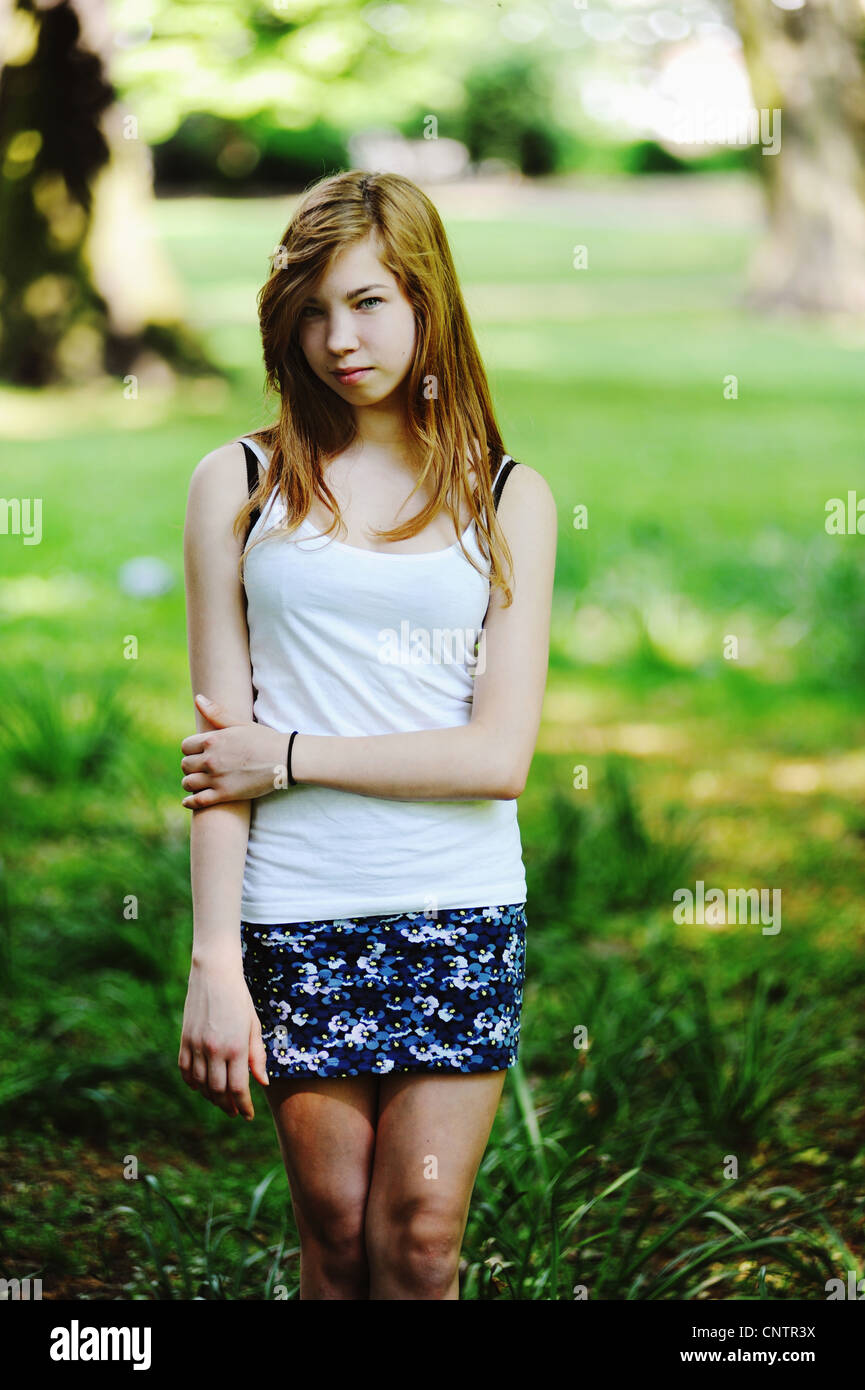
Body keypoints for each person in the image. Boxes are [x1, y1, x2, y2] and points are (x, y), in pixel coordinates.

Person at [177, 169, 557, 1300]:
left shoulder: (506, 496)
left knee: (424, 1235)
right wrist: (211, 962)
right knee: (338, 1236)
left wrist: (289, 753)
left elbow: (497, 759)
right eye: (312, 310)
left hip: (457, 903)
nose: (339, 339)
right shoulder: (238, 485)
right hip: (293, 910)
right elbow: (214, 752)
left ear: (427, 301)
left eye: (370, 303)